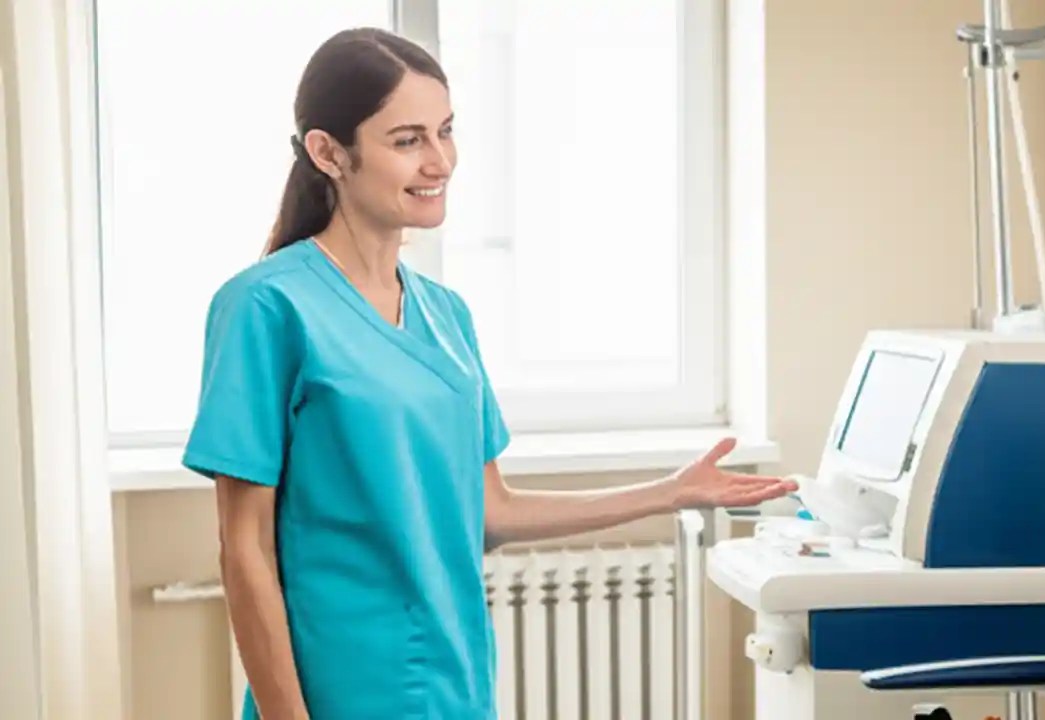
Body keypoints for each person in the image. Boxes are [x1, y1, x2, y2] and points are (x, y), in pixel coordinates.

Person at [181, 27, 796, 720]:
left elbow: (489, 511)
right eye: (407, 139)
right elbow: (244, 551)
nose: (440, 160)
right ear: (329, 153)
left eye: (446, 131)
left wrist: (671, 492)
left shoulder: (447, 316)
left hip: (454, 682)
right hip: (337, 688)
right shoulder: (266, 307)